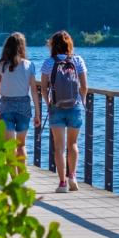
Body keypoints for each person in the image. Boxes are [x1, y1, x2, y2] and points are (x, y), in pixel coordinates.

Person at [41, 30, 89, 193]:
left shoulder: (48, 63)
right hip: (75, 106)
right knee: (73, 144)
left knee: (59, 147)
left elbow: (43, 89)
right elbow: (84, 86)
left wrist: (49, 103)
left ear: (53, 45)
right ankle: (73, 176)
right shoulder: (78, 60)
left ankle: (62, 183)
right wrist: (81, 100)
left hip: (56, 108)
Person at [0, 32, 41, 160]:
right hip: (24, 106)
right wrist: (37, 113)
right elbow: (34, 91)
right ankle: (21, 178)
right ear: (22, 47)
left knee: (9, 147)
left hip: (6, 106)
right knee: (21, 146)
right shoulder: (29, 65)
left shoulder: (1, 65)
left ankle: (15, 179)